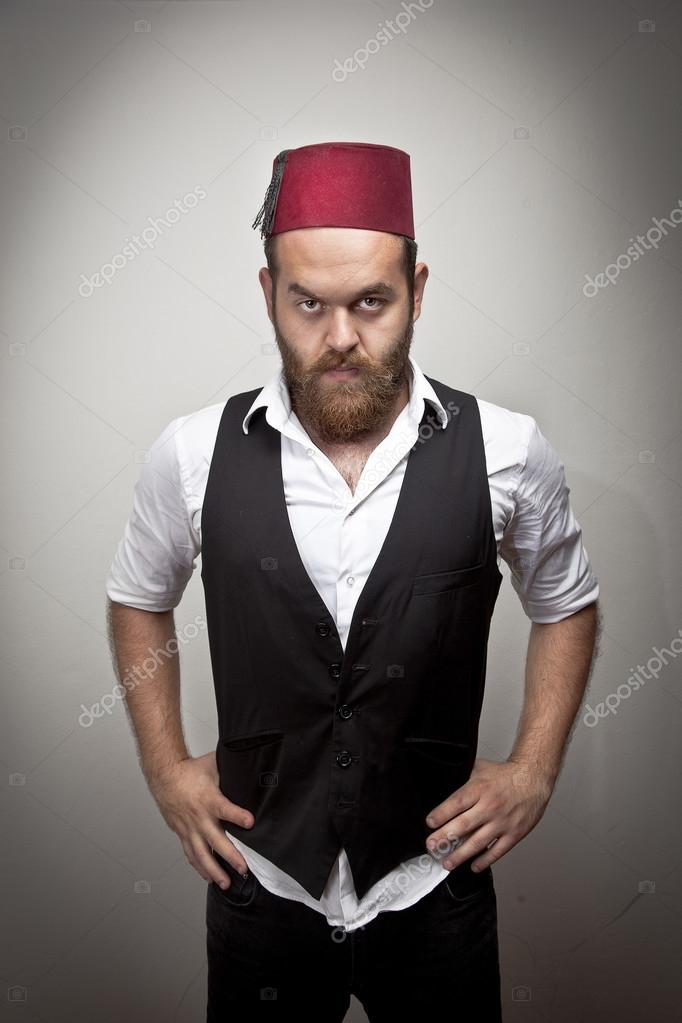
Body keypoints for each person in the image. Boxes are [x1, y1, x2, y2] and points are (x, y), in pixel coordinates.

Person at [106, 141, 601, 1022]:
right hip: (263, 888)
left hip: (432, 889)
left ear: (418, 289)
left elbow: (566, 606)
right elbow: (139, 600)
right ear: (268, 295)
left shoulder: (510, 453)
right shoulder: (190, 454)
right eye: (308, 304)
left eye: (372, 301)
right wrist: (165, 768)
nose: (341, 338)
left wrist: (534, 768)